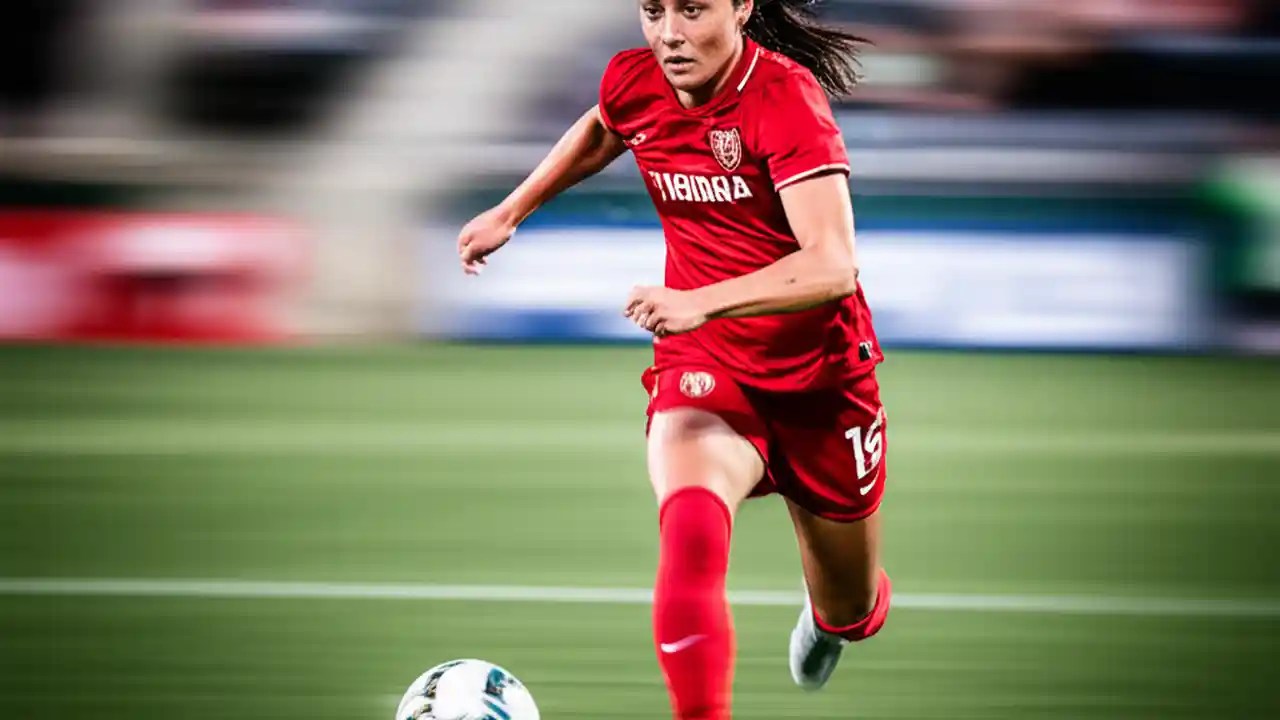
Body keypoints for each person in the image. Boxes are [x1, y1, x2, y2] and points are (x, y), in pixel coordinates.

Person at [456, 1, 890, 717]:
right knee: (689, 528)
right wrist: (511, 211)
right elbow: (604, 127)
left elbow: (834, 266)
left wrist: (705, 299)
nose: (669, 33)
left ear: (742, 6)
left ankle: (831, 620)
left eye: (692, 9)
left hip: (821, 378)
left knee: (852, 606)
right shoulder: (637, 80)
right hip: (707, 360)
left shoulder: (783, 97)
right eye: (653, 10)